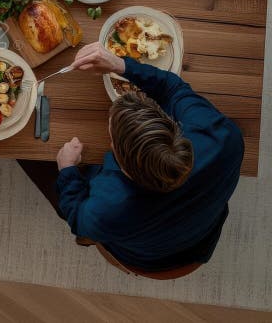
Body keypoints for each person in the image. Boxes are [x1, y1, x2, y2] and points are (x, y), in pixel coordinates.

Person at [50, 42, 244, 272]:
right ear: (170, 125)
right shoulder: (224, 138)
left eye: (111, 138)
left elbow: (78, 221)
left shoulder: (107, 207)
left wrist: (68, 169)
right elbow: (172, 90)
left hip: (151, 260)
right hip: (200, 236)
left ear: (121, 163)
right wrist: (120, 65)